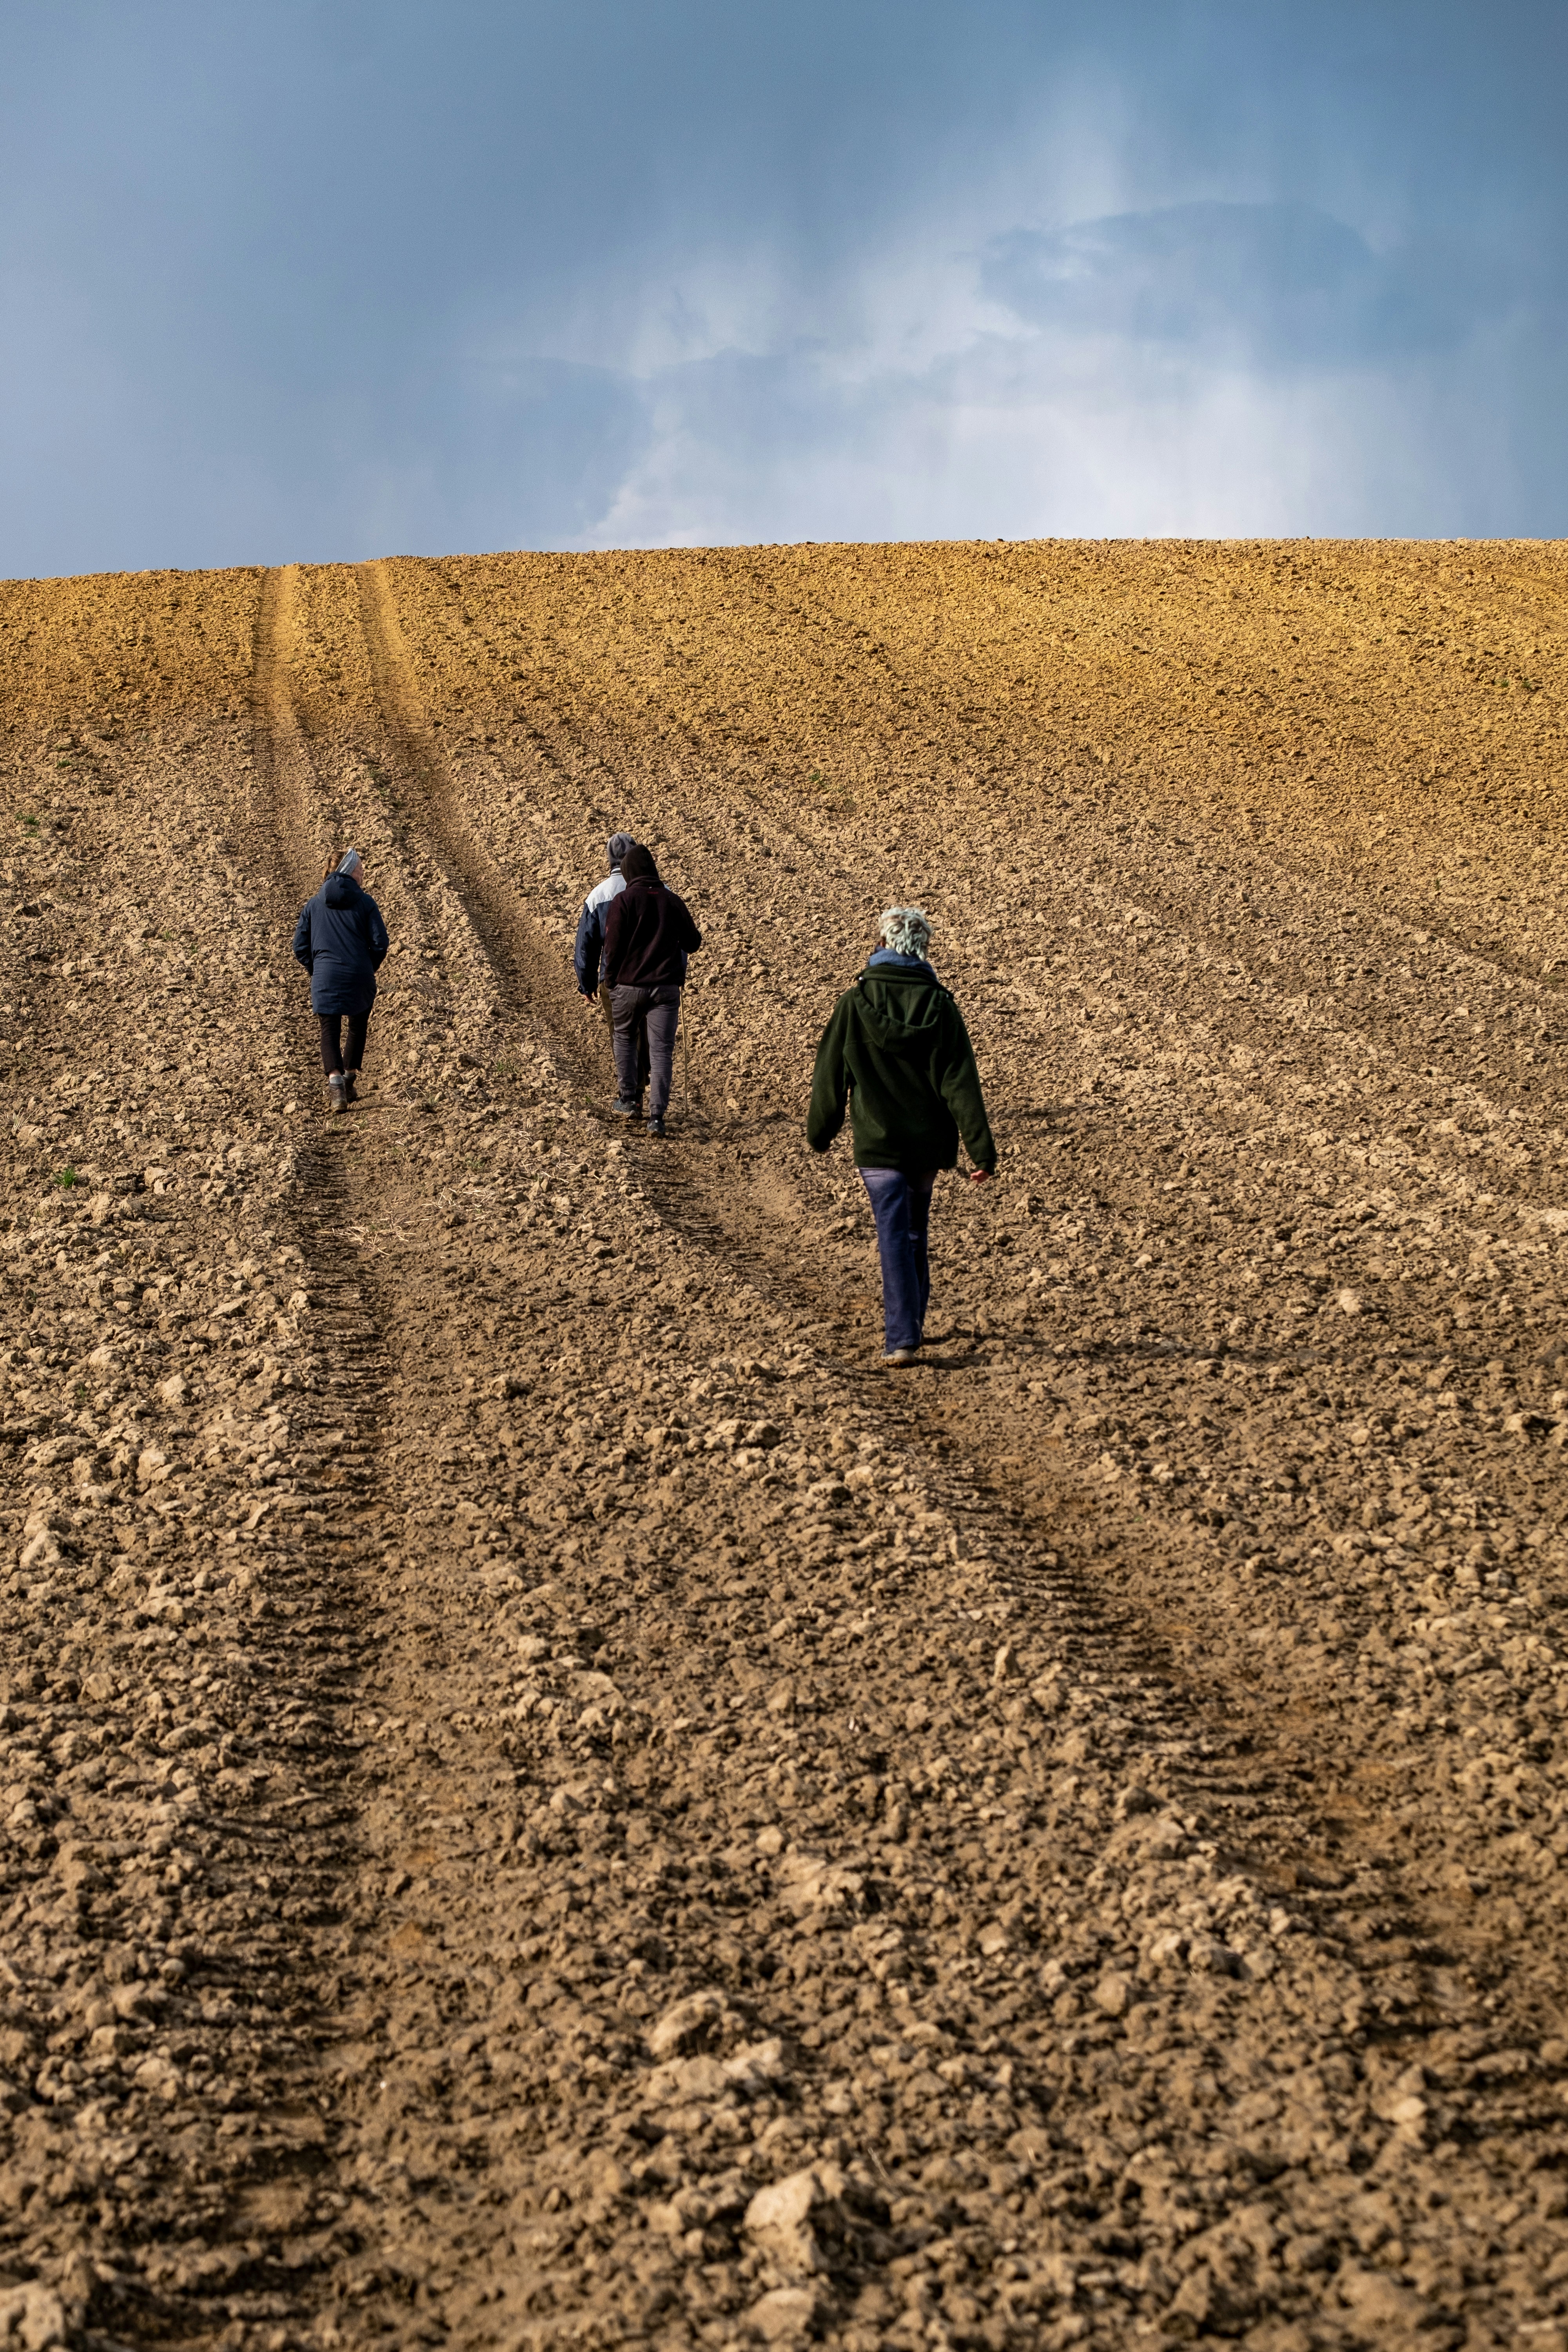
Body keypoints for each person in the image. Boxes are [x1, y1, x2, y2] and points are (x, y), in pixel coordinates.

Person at [807, 905, 996, 1365]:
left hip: (878, 1143)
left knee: (893, 1233)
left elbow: (830, 1074)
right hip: (927, 1145)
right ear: (923, 949)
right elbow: (960, 1082)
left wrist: (821, 1132)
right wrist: (981, 1151)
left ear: (882, 944)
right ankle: (911, 1324)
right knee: (913, 1232)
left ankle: (902, 1338)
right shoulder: (941, 1007)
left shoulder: (854, 1003)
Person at [601, 845, 702, 1139]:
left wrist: (611, 981)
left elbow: (612, 948)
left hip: (629, 987)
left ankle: (629, 1100)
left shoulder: (623, 901)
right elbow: (693, 943)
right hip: (665, 990)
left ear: (629, 872)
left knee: (624, 1037)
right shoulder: (672, 900)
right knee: (661, 1051)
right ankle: (657, 1118)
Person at [292, 848, 389, 1115]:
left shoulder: (314, 904)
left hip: (326, 976)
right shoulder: (366, 903)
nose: (363, 875)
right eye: (361, 871)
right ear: (349, 872)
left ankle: (337, 1091)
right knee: (357, 1025)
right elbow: (380, 943)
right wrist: (368, 967)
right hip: (360, 974)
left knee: (329, 1029)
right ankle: (348, 1081)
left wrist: (318, 969)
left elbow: (300, 946)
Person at [575, 830, 650, 1100]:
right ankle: (642, 1085)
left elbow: (586, 944)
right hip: (651, 976)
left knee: (622, 1036)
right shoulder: (656, 889)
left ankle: (631, 1093)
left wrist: (586, 984)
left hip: (614, 978)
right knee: (646, 1033)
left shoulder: (598, 895)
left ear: (609, 860)